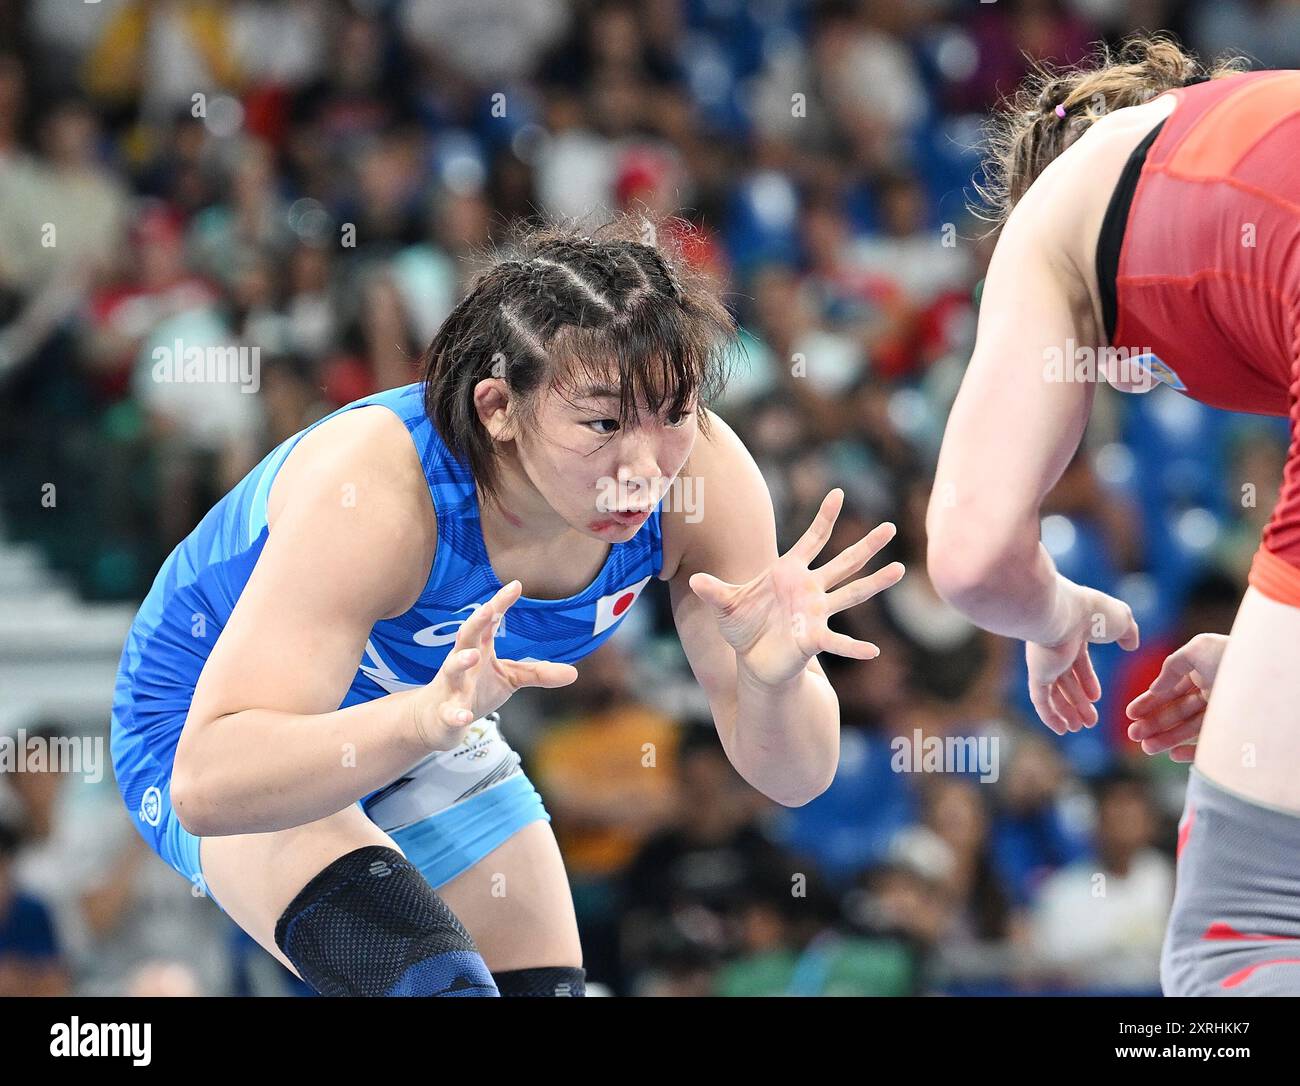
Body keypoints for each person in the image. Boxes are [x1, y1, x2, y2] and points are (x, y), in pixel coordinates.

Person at [110, 214, 905, 997]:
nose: (643, 469)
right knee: (437, 987)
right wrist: (423, 721)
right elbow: (205, 784)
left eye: (674, 414)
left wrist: (772, 683)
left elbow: (795, 778)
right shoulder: (379, 494)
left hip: (422, 719)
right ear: (498, 409)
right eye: (601, 423)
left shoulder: (703, 480)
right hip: (211, 729)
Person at [926, 33, 1300, 995]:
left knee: (1241, 941)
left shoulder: (1052, 214)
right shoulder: (1226, 147)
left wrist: (1050, 615)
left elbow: (970, 558)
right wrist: (1269, 666)